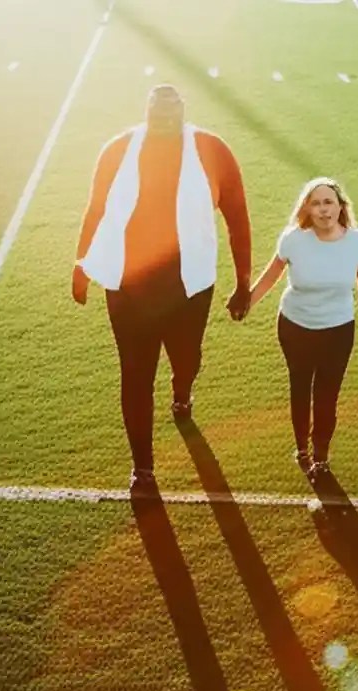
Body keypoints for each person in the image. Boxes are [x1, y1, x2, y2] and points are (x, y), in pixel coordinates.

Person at [72, 84, 252, 491]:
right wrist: (81, 266)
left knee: (187, 359)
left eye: (172, 114)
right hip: (128, 286)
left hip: (189, 287)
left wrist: (243, 281)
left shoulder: (212, 150)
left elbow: (237, 215)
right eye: (157, 114)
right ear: (147, 111)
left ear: (184, 113)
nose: (164, 121)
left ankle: (182, 390)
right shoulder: (117, 150)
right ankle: (143, 468)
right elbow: (96, 209)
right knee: (135, 374)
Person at [248, 177, 358, 482]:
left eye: (328, 202)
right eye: (316, 203)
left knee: (327, 396)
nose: (323, 210)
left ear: (340, 206)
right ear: (307, 208)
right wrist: (246, 302)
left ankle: (320, 455)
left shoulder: (357, 242)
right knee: (300, 386)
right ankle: (301, 448)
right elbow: (271, 276)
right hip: (296, 326)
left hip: (338, 330)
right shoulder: (294, 239)